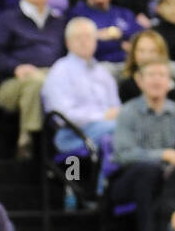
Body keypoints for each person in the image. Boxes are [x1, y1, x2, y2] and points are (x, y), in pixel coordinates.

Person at [110, 58, 175, 231]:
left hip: (169, 180)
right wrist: (163, 155)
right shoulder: (128, 112)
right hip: (129, 181)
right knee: (148, 174)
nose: (156, 80)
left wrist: (172, 163)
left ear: (169, 82)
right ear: (140, 81)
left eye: (161, 76)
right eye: (151, 75)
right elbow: (123, 155)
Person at [0, 0, 66, 158]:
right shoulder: (8, 18)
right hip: (13, 84)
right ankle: (27, 139)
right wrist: (16, 67)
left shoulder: (59, 21)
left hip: (51, 77)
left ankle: (66, 142)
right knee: (36, 82)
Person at [41, 16, 120, 156]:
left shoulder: (103, 73)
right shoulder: (60, 71)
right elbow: (63, 115)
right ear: (68, 43)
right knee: (119, 129)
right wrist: (102, 116)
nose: (84, 41)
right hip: (72, 134)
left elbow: (116, 108)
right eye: (78, 37)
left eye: (88, 37)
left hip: (106, 128)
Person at [69, 0, 140, 68]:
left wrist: (110, 35)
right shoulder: (77, 15)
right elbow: (82, 46)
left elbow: (139, 40)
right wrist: (120, 43)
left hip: (129, 68)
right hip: (95, 68)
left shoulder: (124, 13)